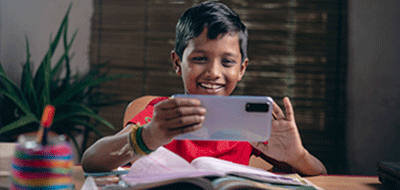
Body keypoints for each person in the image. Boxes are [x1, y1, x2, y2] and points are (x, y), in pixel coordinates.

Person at [82, 1, 327, 176]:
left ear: (242, 69)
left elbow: (320, 173)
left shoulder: (248, 125)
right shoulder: (161, 115)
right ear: (178, 63)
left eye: (227, 62)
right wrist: (149, 135)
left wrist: (297, 156)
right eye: (200, 59)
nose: (213, 72)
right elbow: (91, 160)